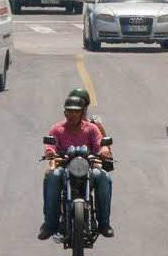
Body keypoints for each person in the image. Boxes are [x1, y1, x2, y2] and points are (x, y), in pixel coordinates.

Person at [40, 96, 113, 240]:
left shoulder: (91, 129)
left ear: (81, 113)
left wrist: (104, 150)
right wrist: (50, 152)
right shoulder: (57, 129)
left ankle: (104, 224)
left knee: (104, 177)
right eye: (69, 111)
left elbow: (100, 143)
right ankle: (50, 224)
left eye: (76, 111)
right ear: (65, 113)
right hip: (64, 166)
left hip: (88, 167)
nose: (73, 114)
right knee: (53, 177)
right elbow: (50, 145)